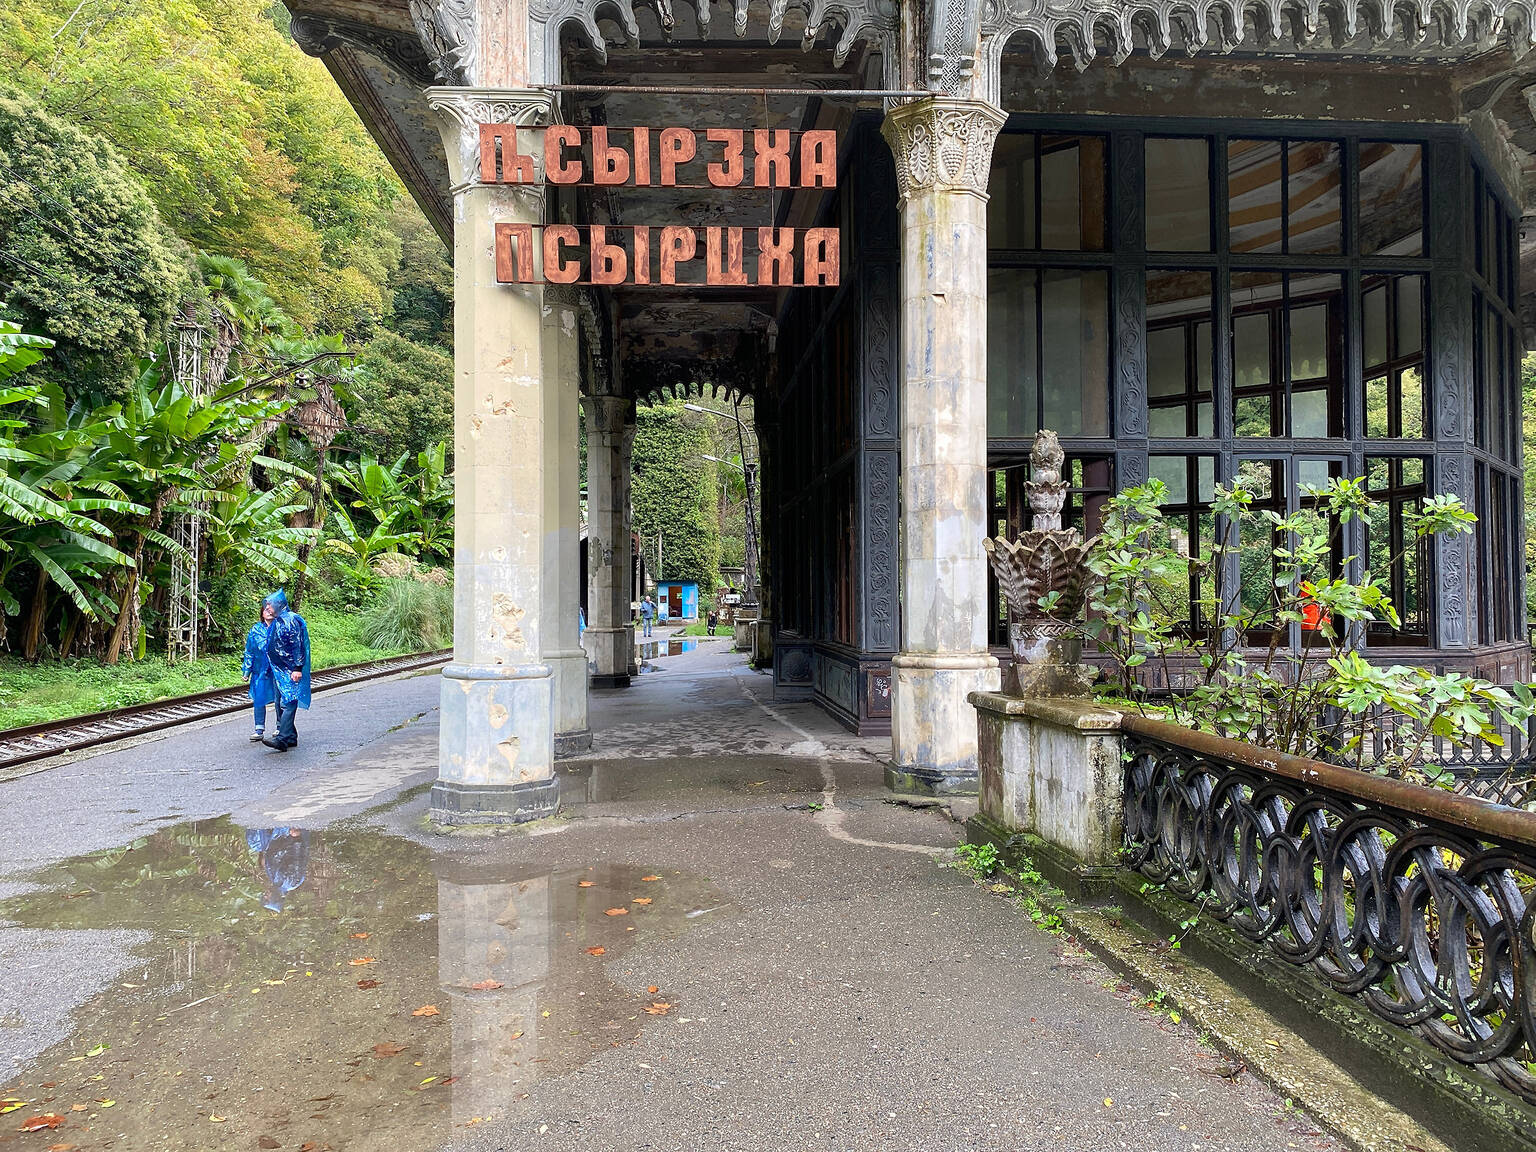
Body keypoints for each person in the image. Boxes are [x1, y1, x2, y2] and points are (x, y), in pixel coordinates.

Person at [260, 589, 311, 752]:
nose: (267, 608)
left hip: (289, 669)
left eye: (270, 604)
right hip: (279, 669)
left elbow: (297, 645)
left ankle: (282, 739)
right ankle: (290, 736)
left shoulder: (289, 620)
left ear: (278, 605)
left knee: (287, 703)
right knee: (279, 702)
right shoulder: (279, 620)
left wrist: (297, 667)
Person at [242, 600, 277, 742]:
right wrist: (246, 670)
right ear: (262, 613)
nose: (268, 612)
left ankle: (280, 726)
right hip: (259, 670)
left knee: (279, 699)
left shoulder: (280, 627)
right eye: (265, 610)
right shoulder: (255, 629)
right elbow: (249, 651)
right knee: (258, 699)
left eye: (271, 610)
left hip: (276, 669)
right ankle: (259, 729)